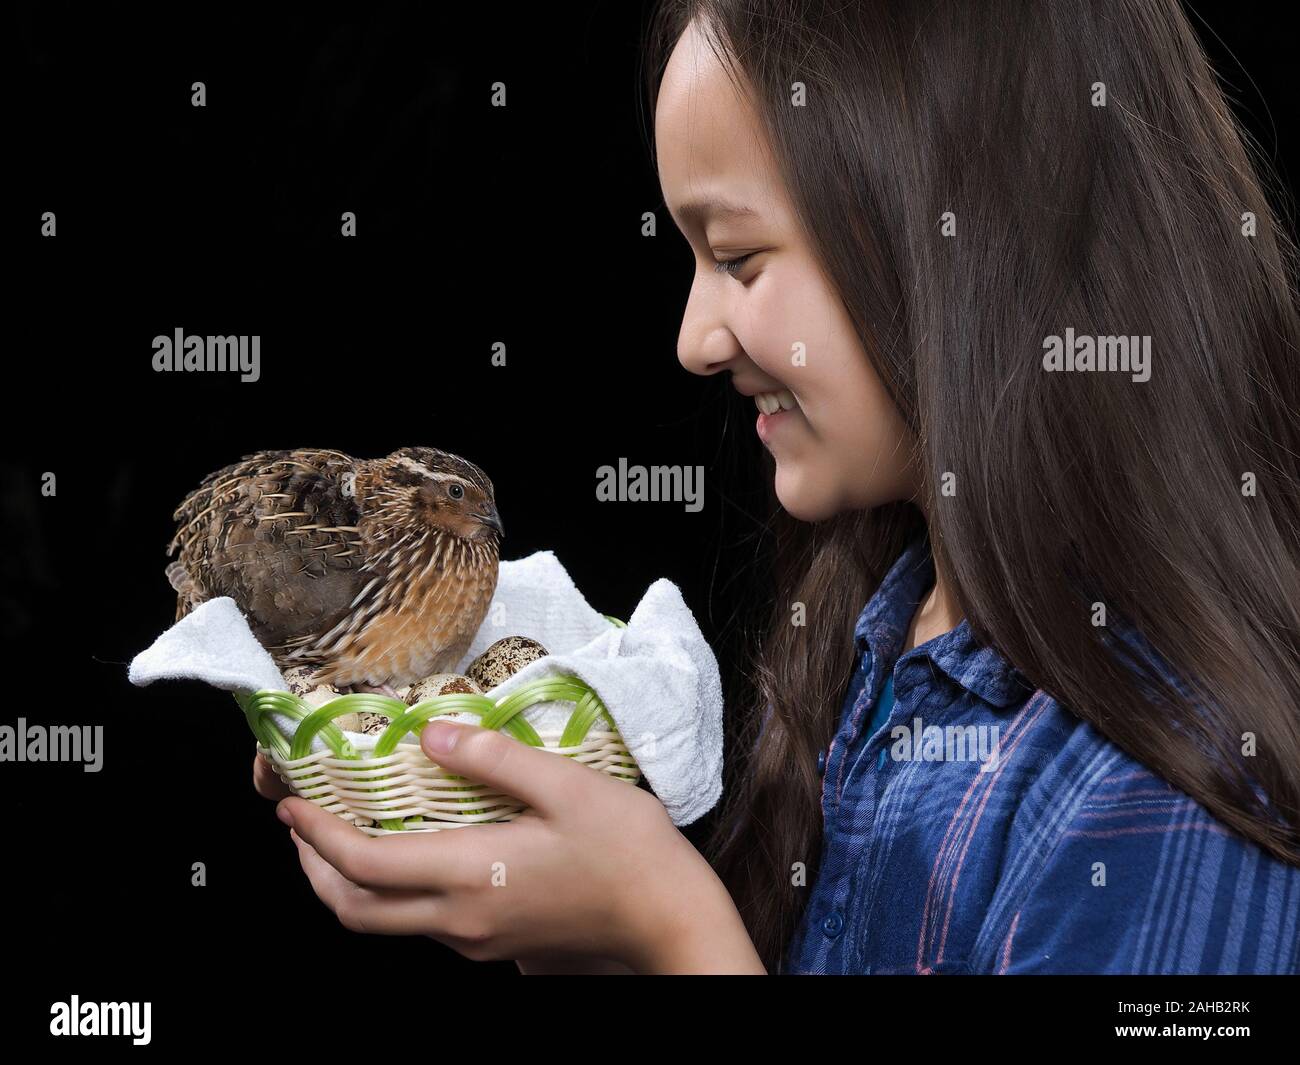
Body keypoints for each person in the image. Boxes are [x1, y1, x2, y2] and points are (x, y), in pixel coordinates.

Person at [257, 0, 1300, 974]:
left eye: (740, 258)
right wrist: (590, 934)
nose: (693, 340)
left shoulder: (1164, 804)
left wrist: (672, 929)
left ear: (965, 240)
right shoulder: (882, 631)